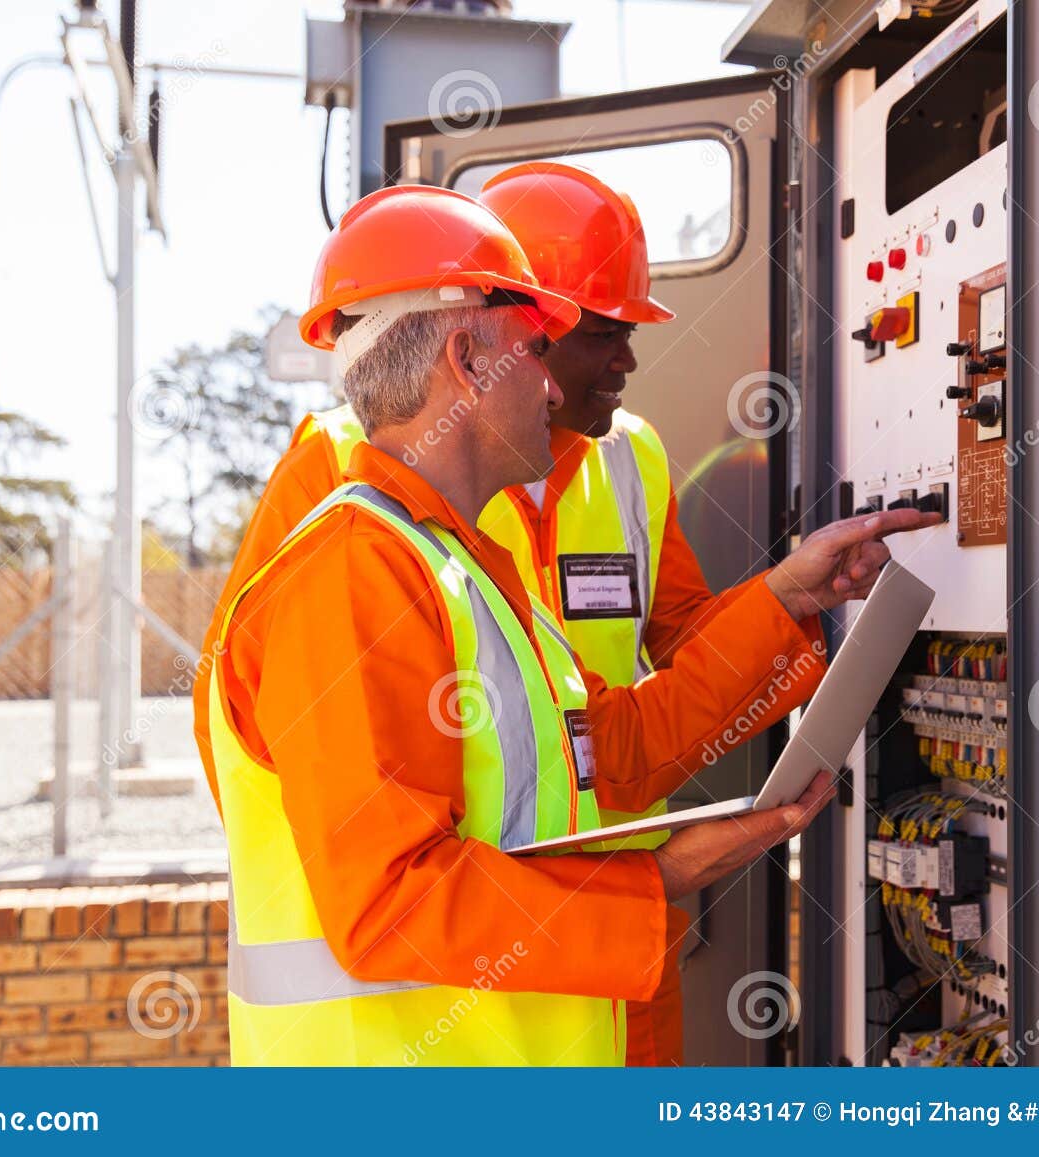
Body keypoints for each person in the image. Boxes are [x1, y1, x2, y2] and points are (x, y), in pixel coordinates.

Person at [202, 185, 938, 1065]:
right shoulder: (353, 562)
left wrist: (785, 601)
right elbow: (382, 892)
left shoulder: (477, 569)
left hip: (556, 1010)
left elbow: (612, 749)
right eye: (540, 346)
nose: (554, 381)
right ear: (468, 357)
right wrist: (657, 877)